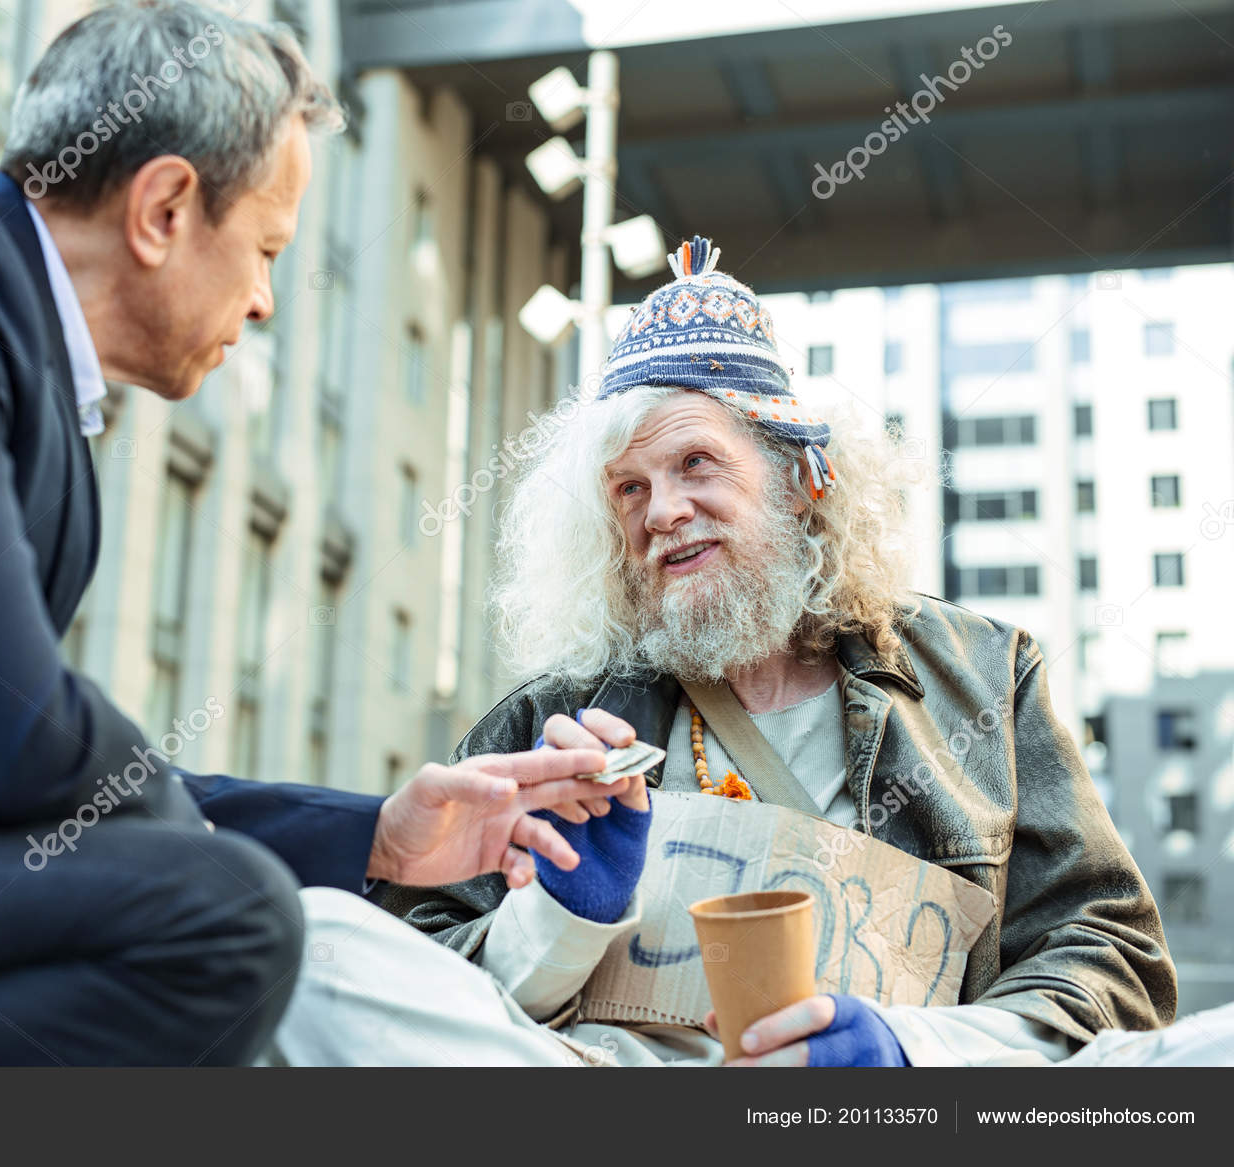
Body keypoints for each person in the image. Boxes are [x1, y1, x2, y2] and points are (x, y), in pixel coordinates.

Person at [0, 1, 630, 1067]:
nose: (264, 304)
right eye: (265, 249)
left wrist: (375, 838)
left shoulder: (17, 372)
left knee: (221, 905)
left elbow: (49, 769)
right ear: (163, 209)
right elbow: (7, 745)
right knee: (221, 919)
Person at [268, 236, 1185, 1067]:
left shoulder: (986, 674)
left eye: (696, 465)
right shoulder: (544, 727)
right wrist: (556, 916)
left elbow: (1115, 960)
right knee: (315, 953)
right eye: (629, 488)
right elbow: (413, 1011)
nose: (660, 510)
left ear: (797, 480)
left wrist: (911, 1053)